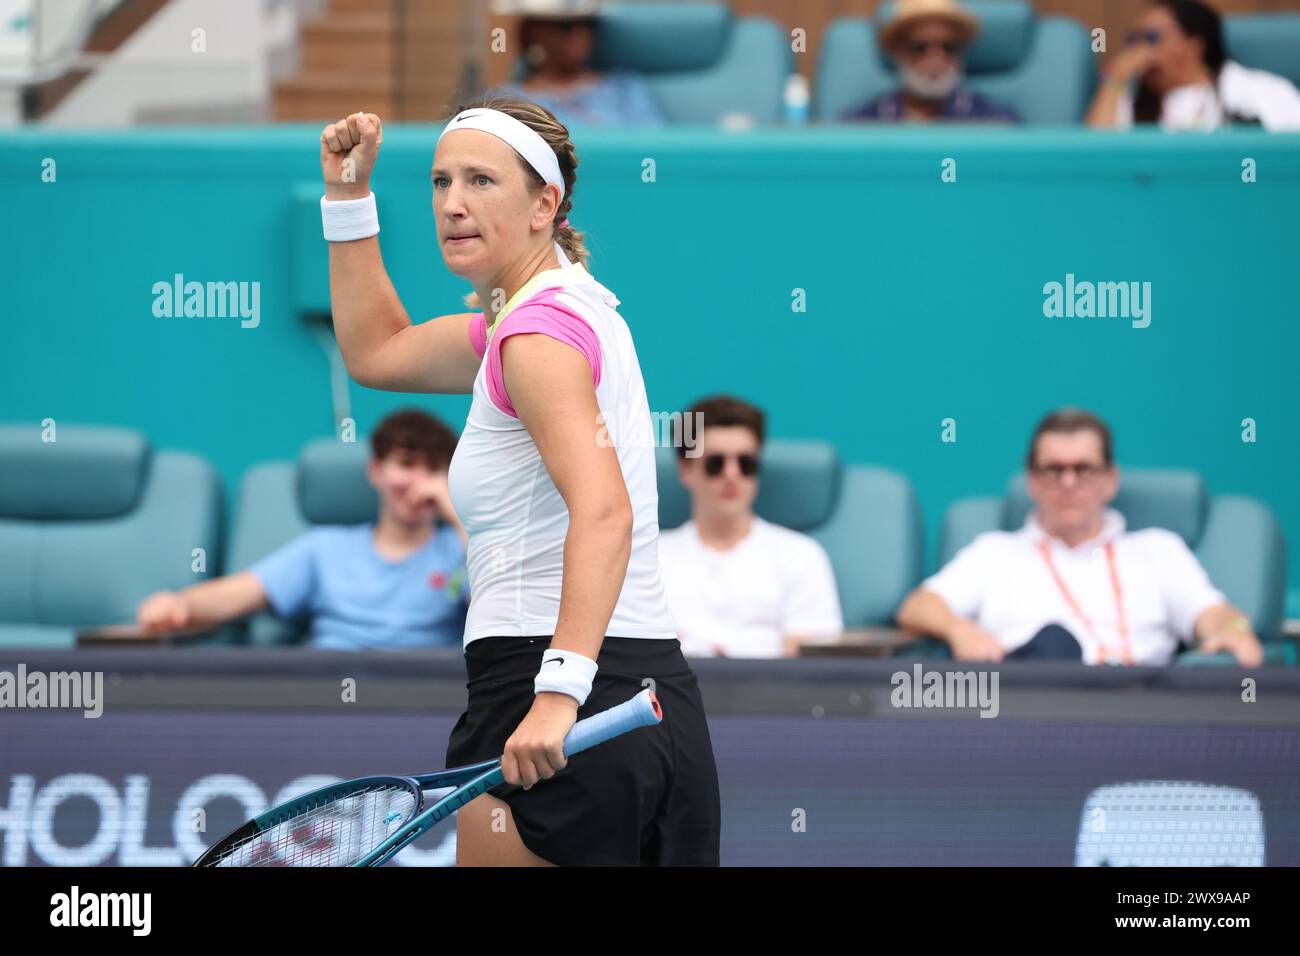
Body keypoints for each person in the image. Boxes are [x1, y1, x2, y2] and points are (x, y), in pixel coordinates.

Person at [317, 94, 721, 865]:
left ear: (546, 203)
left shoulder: (534, 337)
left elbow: (606, 512)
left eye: (481, 181)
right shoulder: (551, 316)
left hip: (553, 691)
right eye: (440, 183)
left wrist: (557, 692)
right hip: (655, 701)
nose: (453, 204)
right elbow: (378, 351)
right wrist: (348, 195)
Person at [895, 408, 1264, 667]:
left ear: (1110, 479)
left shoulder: (1157, 550)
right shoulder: (995, 552)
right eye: (1054, 470)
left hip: (1138, 710)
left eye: (1083, 469)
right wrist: (961, 631)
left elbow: (1213, 613)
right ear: (1033, 481)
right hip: (1025, 709)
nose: (1068, 483)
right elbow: (917, 607)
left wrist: (1233, 631)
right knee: (1054, 643)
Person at [135, 408, 470, 650]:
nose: (419, 482)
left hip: (424, 697)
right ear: (376, 471)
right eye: (406, 465)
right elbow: (241, 593)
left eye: (434, 470)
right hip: (328, 693)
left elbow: (506, 606)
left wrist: (458, 513)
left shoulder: (461, 548)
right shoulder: (327, 548)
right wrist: (180, 605)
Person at [657, 395, 843, 658]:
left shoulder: (801, 555)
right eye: (715, 464)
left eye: (746, 463)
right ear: (686, 469)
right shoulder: (650, 558)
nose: (732, 474)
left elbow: (814, 658)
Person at [1087, 0, 1300, 132]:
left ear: (1194, 44)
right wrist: (1114, 79)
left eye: (1151, 38)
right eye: (1133, 39)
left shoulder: (1260, 91)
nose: (1139, 51)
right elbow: (1096, 162)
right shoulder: (1130, 103)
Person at [489, 0, 667, 128]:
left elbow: (657, 148)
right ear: (533, 32)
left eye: (588, 25)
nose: (579, 34)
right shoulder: (505, 101)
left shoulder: (624, 90)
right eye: (565, 26)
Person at [841, 0, 1019, 124]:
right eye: (920, 47)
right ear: (898, 53)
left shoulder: (995, 122)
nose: (936, 58)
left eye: (948, 47)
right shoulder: (863, 124)